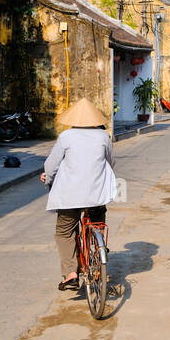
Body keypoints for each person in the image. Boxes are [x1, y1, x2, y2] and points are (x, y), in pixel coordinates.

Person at [41, 97, 117, 292]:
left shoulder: (66, 137)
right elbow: (111, 162)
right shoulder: (103, 137)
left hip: (70, 196)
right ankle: (99, 249)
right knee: (97, 219)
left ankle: (71, 274)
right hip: (96, 194)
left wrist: (47, 178)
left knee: (64, 232)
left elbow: (51, 165)